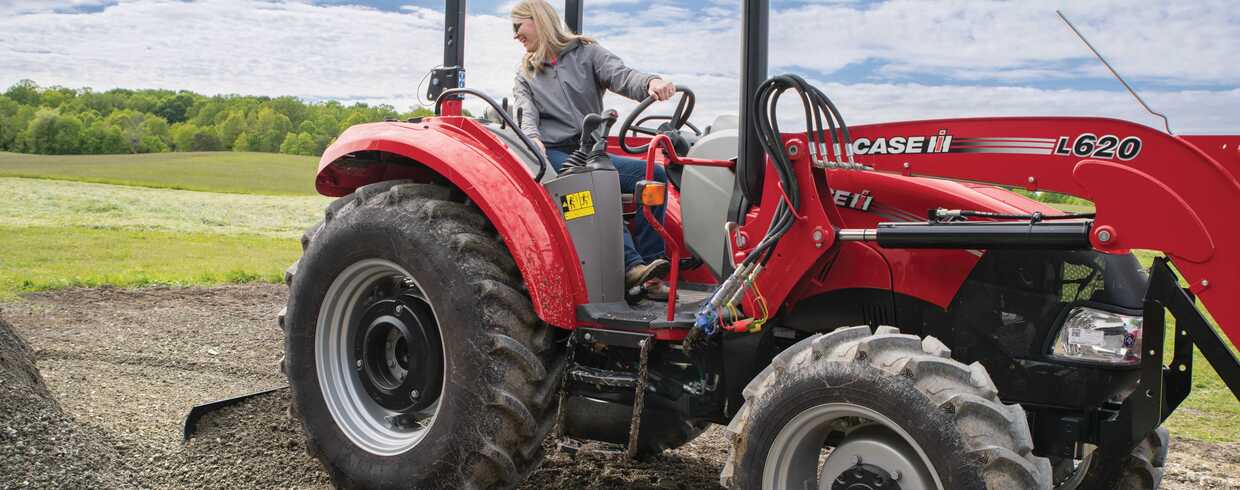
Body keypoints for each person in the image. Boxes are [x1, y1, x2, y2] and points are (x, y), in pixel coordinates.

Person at [510, 0, 675, 299]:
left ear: (536, 20)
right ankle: (630, 267)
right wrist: (532, 138)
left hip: (591, 148)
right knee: (593, 180)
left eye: (517, 26)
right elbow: (526, 113)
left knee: (655, 173)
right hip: (554, 152)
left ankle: (652, 270)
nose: (515, 35)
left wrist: (651, 81)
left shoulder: (588, 53)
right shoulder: (526, 73)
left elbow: (622, 76)